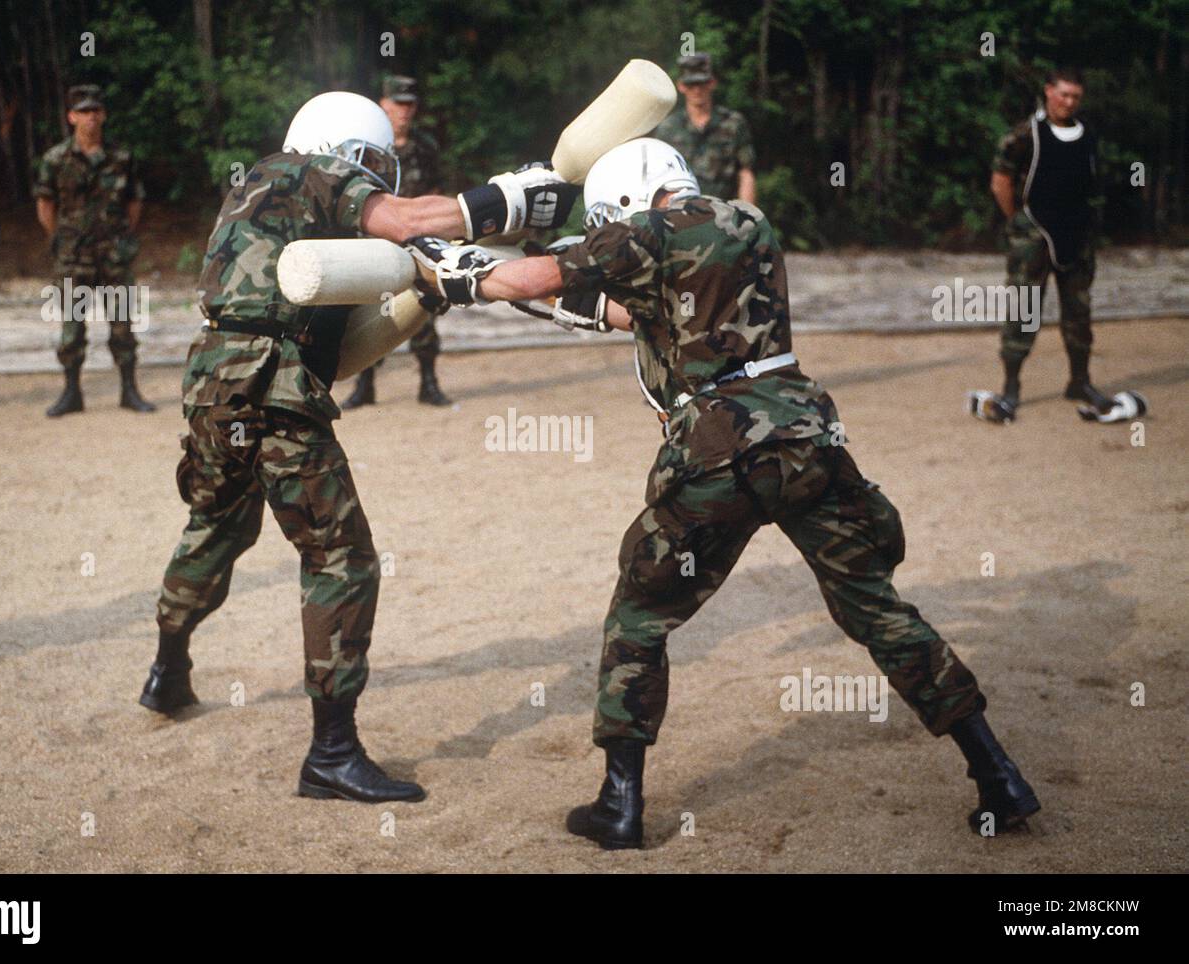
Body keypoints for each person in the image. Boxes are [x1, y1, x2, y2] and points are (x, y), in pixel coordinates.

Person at [408, 138, 1040, 847]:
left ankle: (620, 806)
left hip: (721, 457)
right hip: (806, 442)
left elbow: (538, 278)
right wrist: (520, 284)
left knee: (640, 617)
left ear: (625, 204)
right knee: (877, 609)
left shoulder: (652, 231)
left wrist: (456, 271)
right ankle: (998, 774)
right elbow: (612, 307)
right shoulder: (745, 227)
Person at [141, 89, 578, 805]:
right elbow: (406, 221)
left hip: (214, 382)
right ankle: (331, 755)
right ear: (346, 150)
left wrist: (435, 286)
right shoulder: (314, 172)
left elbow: (344, 349)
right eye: (372, 162)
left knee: (217, 525)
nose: (379, 176)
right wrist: (506, 198)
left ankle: (167, 668)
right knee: (341, 559)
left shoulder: (262, 192)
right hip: (270, 386)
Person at [978, 68, 1109, 423]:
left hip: (1077, 235)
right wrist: (1018, 222)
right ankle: (1011, 387)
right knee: (1024, 310)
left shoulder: (1087, 136)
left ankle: (1079, 382)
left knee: (1079, 314)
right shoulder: (1024, 135)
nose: (1069, 102)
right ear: (1048, 92)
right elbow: (1000, 182)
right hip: (1033, 235)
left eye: (1075, 97)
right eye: (1063, 94)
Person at [34, 84, 154, 416]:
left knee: (122, 322)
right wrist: (59, 237)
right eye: (83, 112)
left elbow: (134, 200)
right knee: (71, 325)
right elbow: (45, 203)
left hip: (114, 254)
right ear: (71, 117)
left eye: (95, 111)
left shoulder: (121, 157)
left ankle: (129, 391)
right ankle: (72, 393)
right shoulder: (56, 159)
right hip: (74, 256)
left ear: (103, 115)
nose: (90, 118)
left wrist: (124, 234)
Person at [343, 75, 452, 409]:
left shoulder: (425, 148)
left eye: (410, 105)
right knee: (368, 310)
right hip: (374, 241)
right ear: (383, 104)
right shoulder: (368, 149)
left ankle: (429, 384)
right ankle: (365, 385)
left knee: (423, 305)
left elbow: (437, 194)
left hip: (417, 240)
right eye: (397, 104)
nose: (404, 112)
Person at [653, 53, 756, 203]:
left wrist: (748, 215)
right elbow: (658, 179)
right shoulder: (669, 128)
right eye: (690, 84)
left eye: (701, 83)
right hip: (681, 214)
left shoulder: (733, 123)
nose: (697, 90)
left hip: (724, 214)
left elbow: (745, 173)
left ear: (712, 83)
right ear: (681, 86)